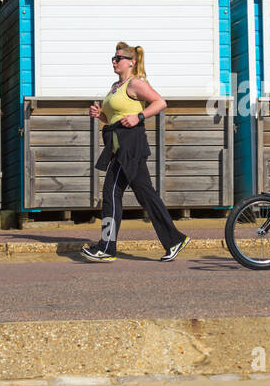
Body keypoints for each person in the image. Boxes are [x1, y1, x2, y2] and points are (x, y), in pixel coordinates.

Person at [81, 43, 190, 263]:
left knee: (111, 192)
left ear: (131, 61)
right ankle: (174, 239)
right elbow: (114, 117)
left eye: (118, 58)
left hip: (130, 144)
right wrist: (100, 115)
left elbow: (160, 102)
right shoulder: (115, 86)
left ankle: (106, 247)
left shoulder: (135, 83)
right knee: (145, 194)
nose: (114, 61)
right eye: (113, 58)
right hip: (118, 143)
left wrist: (139, 117)